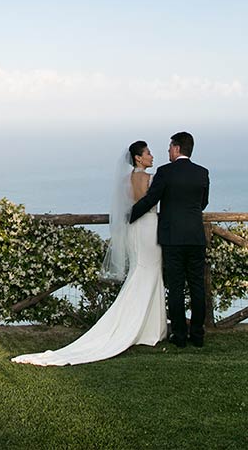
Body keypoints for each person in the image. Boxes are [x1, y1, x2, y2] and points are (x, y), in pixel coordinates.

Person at [11, 140, 167, 366]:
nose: (152, 156)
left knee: (142, 272)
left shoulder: (125, 180)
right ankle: (143, 329)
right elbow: (145, 203)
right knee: (149, 273)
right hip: (148, 227)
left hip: (134, 230)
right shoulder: (146, 179)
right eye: (148, 153)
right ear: (138, 158)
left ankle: (144, 327)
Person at [130, 131, 210, 347]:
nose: (167, 151)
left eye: (169, 148)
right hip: (195, 236)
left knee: (175, 287)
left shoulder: (165, 172)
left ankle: (180, 336)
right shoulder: (202, 173)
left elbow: (150, 200)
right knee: (197, 287)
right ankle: (198, 336)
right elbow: (203, 203)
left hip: (172, 237)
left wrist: (129, 217)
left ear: (176, 148)